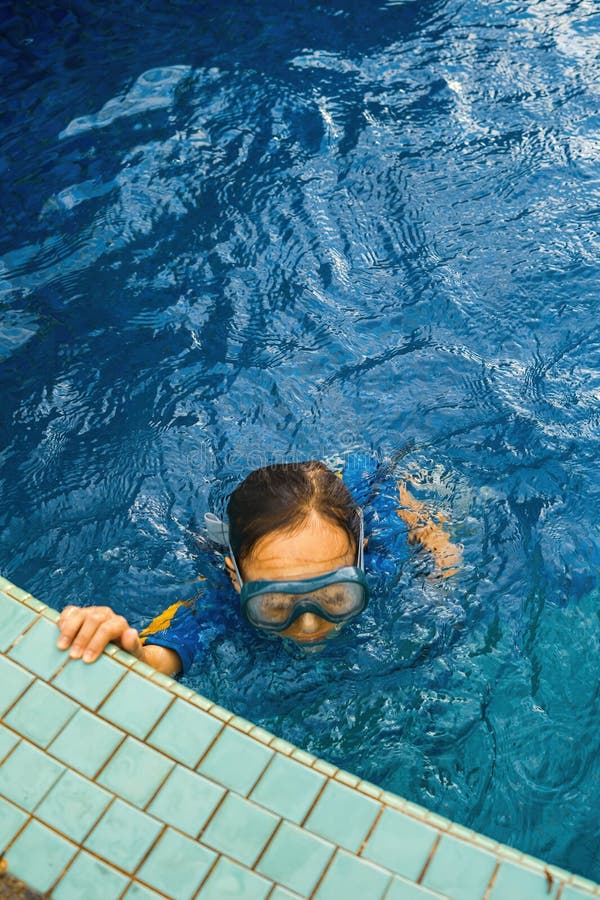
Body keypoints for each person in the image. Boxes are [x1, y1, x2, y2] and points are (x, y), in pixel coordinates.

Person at [56, 453, 462, 677]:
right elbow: (159, 657)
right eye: (276, 604)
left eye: (336, 595)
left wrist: (438, 552)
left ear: (359, 561)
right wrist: (120, 648)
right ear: (239, 581)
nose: (308, 625)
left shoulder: (380, 559)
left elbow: (405, 504)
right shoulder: (221, 609)